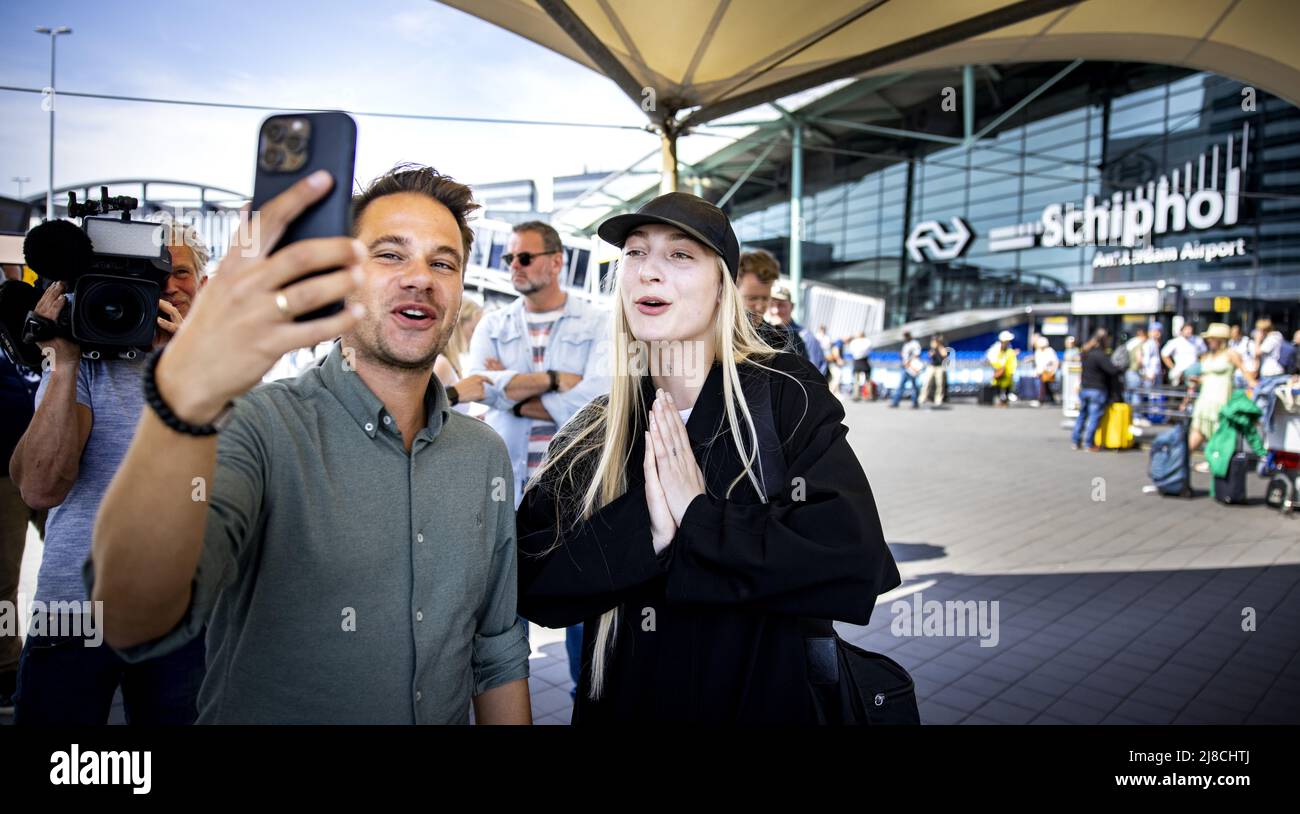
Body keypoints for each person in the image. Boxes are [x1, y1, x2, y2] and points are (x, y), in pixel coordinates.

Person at [90, 165, 531, 724]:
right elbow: (135, 615)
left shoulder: (482, 455)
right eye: (391, 254)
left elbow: (495, 651)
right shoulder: (255, 428)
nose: (421, 277)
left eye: (442, 263)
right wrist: (182, 396)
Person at [515, 192, 900, 724]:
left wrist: (697, 518)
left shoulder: (783, 396)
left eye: (679, 255)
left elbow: (853, 560)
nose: (650, 271)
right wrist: (647, 530)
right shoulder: (596, 430)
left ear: (723, 288)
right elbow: (531, 580)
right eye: (635, 253)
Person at [8, 218, 210, 725]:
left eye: (178, 271)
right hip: (74, 606)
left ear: (203, 285)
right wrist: (65, 361)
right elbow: (39, 485)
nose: (165, 284)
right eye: (150, 271)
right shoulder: (82, 363)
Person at [464, 220, 610, 700]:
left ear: (555, 261)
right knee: (505, 613)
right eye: (509, 259)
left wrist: (513, 390)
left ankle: (583, 701)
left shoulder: (598, 322)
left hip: (574, 495)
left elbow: (599, 398)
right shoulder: (494, 323)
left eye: (523, 257)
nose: (513, 267)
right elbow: (479, 389)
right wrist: (554, 377)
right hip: (506, 491)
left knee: (583, 608)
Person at [1189, 323, 1256, 461]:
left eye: (1212, 338)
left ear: (1220, 339)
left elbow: (1246, 373)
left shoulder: (1231, 354)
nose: (1208, 341)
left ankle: (1215, 463)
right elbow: (1208, 377)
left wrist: (1255, 387)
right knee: (1196, 435)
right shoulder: (1206, 356)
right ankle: (1176, 469)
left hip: (1221, 400)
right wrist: (1198, 380)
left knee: (1219, 435)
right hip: (1204, 400)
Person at [433, 297, 491, 416]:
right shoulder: (441, 364)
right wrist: (455, 393)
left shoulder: (448, 363)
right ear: (457, 326)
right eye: (473, 330)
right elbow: (423, 413)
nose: (475, 337)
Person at [1071, 329, 1122, 451]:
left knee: (1082, 415)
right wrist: (1120, 368)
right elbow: (1112, 370)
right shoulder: (1100, 355)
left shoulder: (1086, 353)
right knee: (1094, 416)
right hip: (1097, 389)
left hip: (1085, 388)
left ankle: (1076, 441)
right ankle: (1089, 443)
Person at [768, 284, 817, 371]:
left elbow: (815, 373)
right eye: (771, 304)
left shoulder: (805, 337)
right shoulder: (759, 334)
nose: (776, 310)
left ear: (792, 307)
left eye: (781, 305)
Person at [1162, 322, 1201, 386]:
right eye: (1187, 329)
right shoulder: (1175, 342)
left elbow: (1204, 353)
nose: (1189, 331)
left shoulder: (1197, 340)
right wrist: (1173, 368)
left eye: (1190, 329)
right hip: (1179, 373)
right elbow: (1164, 355)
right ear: (1182, 330)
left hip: (1194, 373)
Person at [890, 331, 922, 409]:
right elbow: (904, 355)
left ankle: (915, 403)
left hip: (911, 367)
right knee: (901, 385)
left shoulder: (915, 344)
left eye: (906, 336)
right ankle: (895, 402)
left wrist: (909, 362)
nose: (905, 338)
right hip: (905, 367)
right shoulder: (906, 344)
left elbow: (917, 355)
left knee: (914, 386)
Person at [986, 330, 1017, 407]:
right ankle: (1000, 401)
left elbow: (1012, 362)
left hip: (1007, 373)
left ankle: (1004, 401)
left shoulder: (1009, 350)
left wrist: (1011, 371)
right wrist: (998, 367)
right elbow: (992, 359)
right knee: (997, 388)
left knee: (1007, 388)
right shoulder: (996, 349)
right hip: (999, 372)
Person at [919, 334, 948, 407]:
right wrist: (933, 349)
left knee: (939, 384)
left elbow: (944, 355)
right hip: (931, 366)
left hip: (939, 367)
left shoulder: (942, 347)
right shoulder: (932, 347)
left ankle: (938, 399)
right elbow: (930, 355)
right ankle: (922, 398)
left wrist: (939, 346)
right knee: (926, 382)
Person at [1033, 335, 1060, 406]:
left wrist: (1053, 371)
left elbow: (1055, 362)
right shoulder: (1038, 351)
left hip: (1047, 372)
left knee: (1043, 387)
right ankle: (1051, 399)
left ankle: (1041, 400)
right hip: (1040, 372)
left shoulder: (1049, 351)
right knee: (1045, 387)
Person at [848, 332, 873, 401]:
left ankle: (856, 395)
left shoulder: (854, 342)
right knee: (867, 379)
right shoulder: (867, 341)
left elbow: (851, 351)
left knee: (857, 379)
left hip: (857, 361)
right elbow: (869, 349)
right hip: (864, 361)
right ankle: (869, 395)